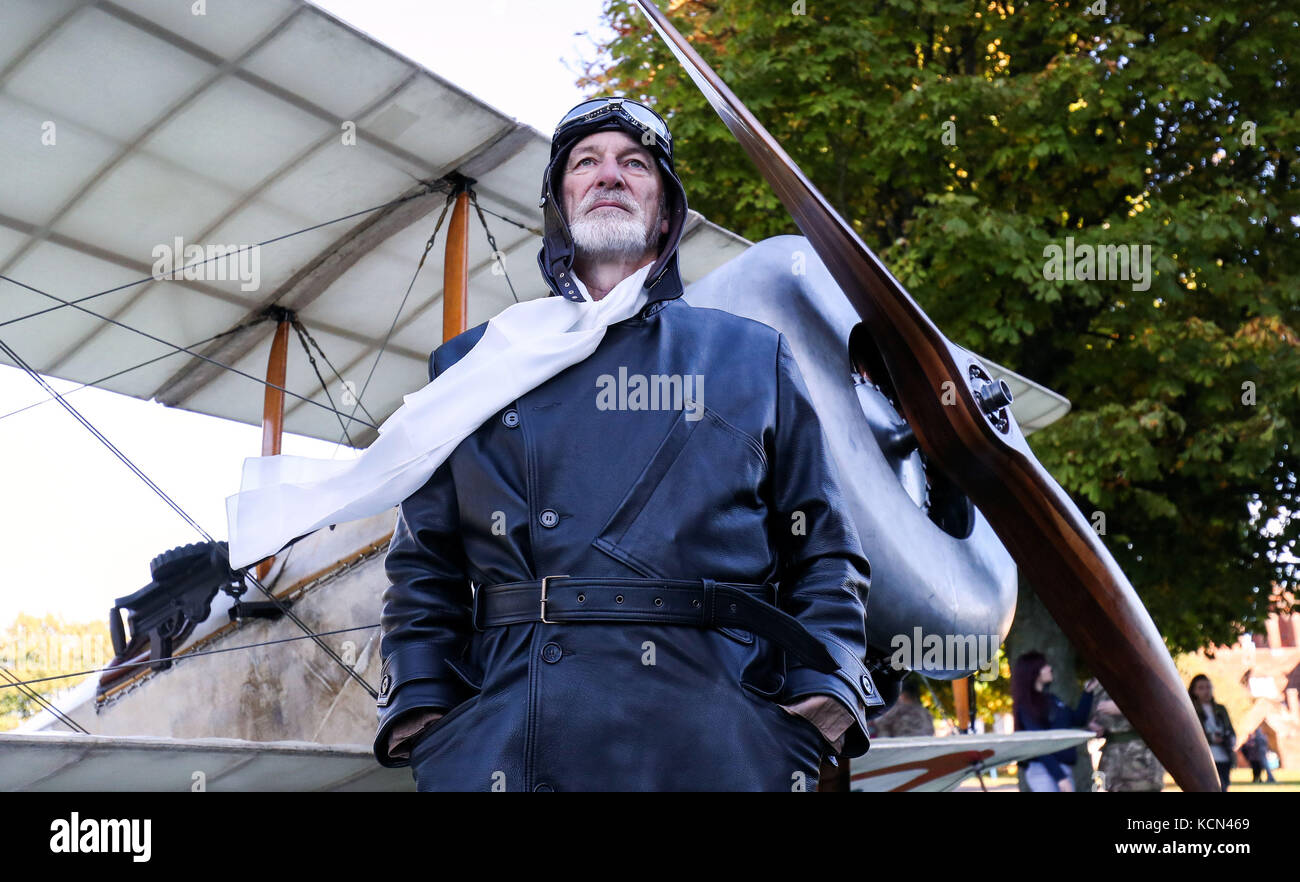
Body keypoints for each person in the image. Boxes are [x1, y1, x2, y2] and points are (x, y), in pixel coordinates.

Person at [372, 97, 880, 791]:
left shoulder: (752, 357)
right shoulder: (470, 366)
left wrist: (823, 689)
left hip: (721, 741)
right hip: (510, 744)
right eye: (587, 162)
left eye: (634, 164)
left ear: (666, 212)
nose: (609, 174)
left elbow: (824, 545)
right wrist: (424, 708)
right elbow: (424, 564)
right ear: (561, 203)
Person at [1011, 651, 1098, 792]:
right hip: (1043, 770)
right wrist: (1060, 779)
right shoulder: (1026, 707)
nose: (1049, 668)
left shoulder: (1052, 699)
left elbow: (1078, 719)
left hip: (1062, 768)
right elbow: (1038, 744)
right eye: (1044, 665)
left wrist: (1087, 692)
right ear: (1035, 671)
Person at [1087, 685, 1165, 792]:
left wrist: (1123, 708)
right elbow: (1093, 713)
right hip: (1113, 762)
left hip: (1140, 760)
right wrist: (1095, 726)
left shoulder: (1141, 680)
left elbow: (1159, 711)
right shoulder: (1101, 683)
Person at [1188, 674, 1236, 792]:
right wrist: (1211, 738)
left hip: (1223, 757)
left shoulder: (1220, 709)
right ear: (1194, 691)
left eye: (1208, 687)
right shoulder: (1191, 710)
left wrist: (1227, 739)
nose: (1206, 691)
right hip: (1204, 758)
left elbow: (1230, 730)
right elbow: (1191, 735)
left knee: (1223, 788)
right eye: (1201, 688)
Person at [870, 672, 935, 737]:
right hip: (922, 742)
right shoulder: (924, 712)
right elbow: (931, 731)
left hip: (901, 743)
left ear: (903, 695)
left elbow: (880, 722)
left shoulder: (898, 708)